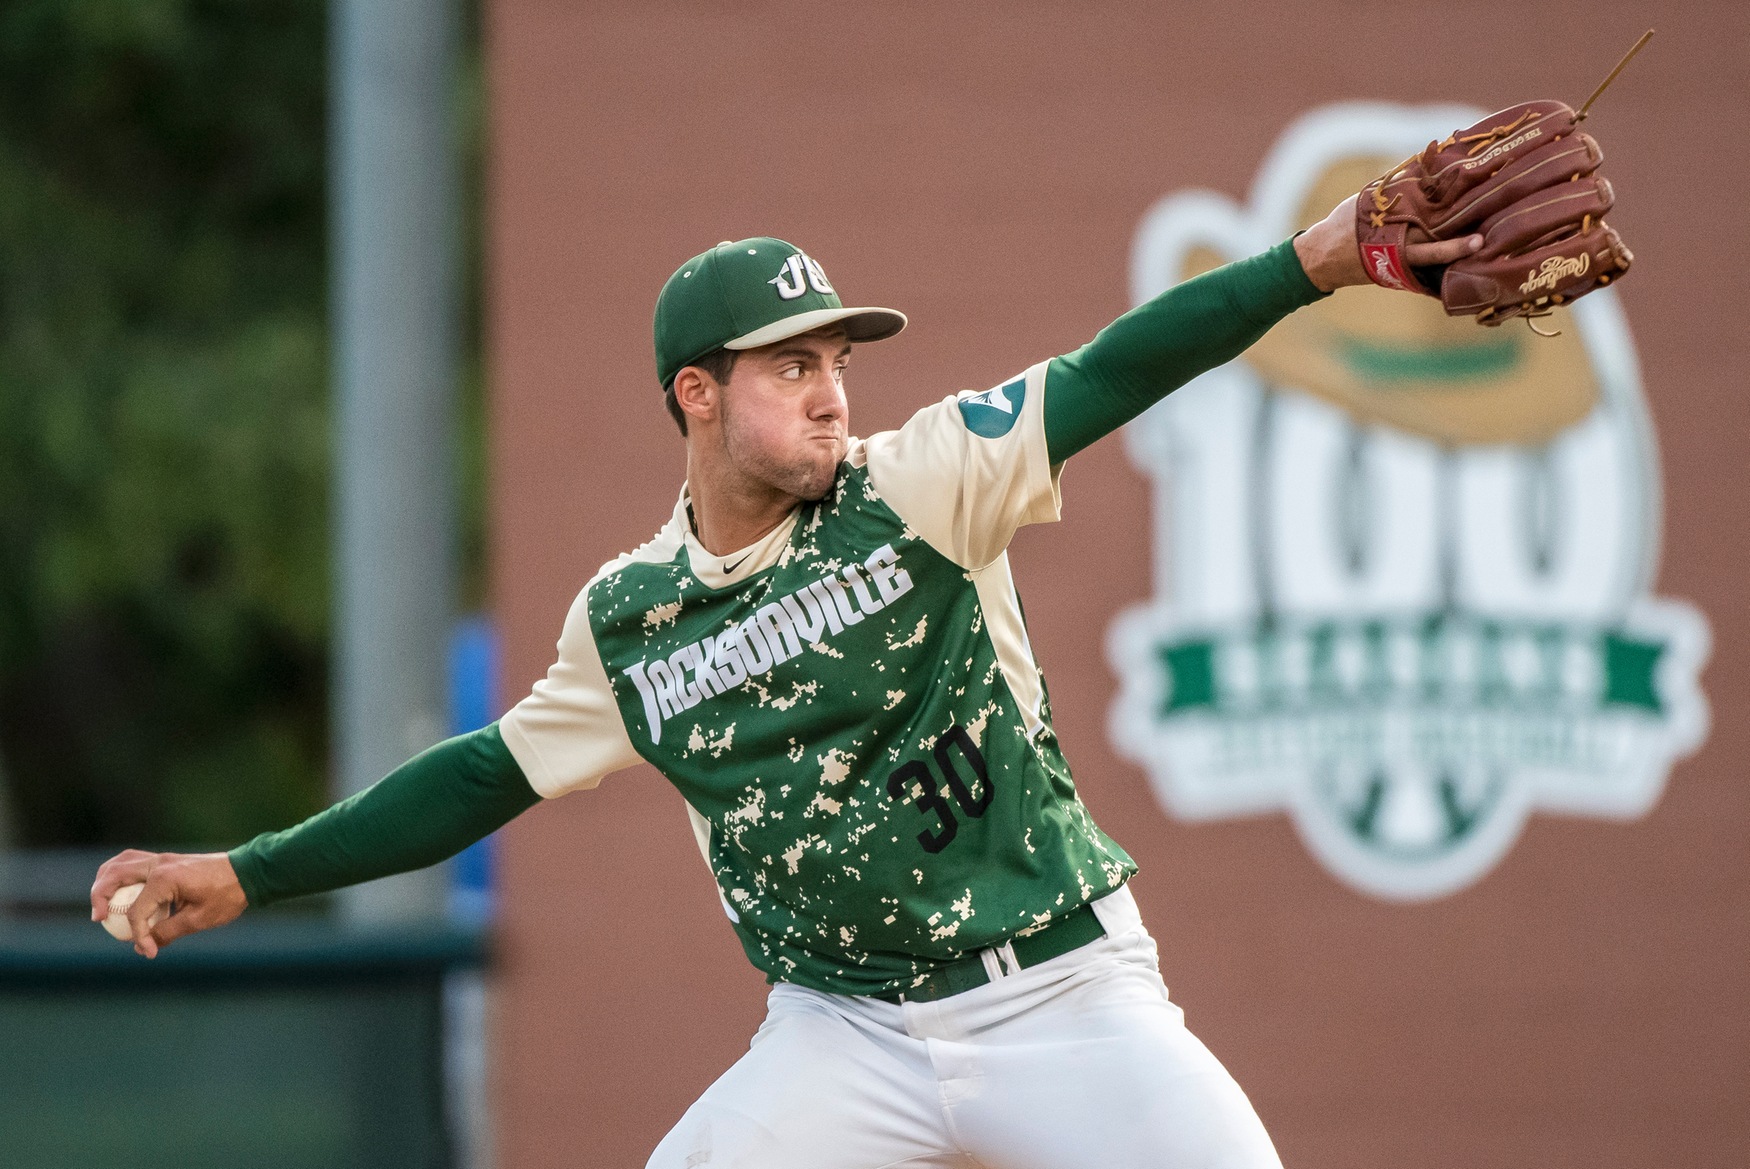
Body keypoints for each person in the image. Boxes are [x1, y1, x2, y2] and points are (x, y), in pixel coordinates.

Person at [92, 198, 1481, 1168]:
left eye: (837, 361)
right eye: (791, 365)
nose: (832, 392)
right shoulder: (631, 619)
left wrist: (1318, 261)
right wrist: (249, 870)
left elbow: (1117, 366)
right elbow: (482, 772)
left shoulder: (920, 484)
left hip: (1061, 994)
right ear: (695, 393)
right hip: (843, 1033)